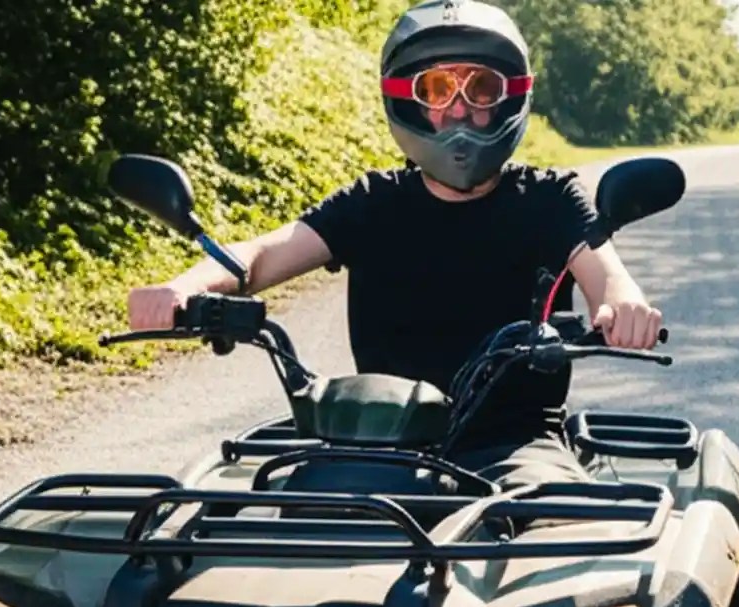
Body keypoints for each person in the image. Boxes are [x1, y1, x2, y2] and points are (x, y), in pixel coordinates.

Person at [126, 0, 663, 486]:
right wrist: (183, 287)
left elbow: (604, 271)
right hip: (377, 442)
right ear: (407, 101)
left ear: (510, 98)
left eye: (480, 89)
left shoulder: (548, 199)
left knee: (558, 530)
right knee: (294, 528)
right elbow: (263, 255)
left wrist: (622, 305)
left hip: (516, 443)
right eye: (435, 89)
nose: (458, 109)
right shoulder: (373, 202)